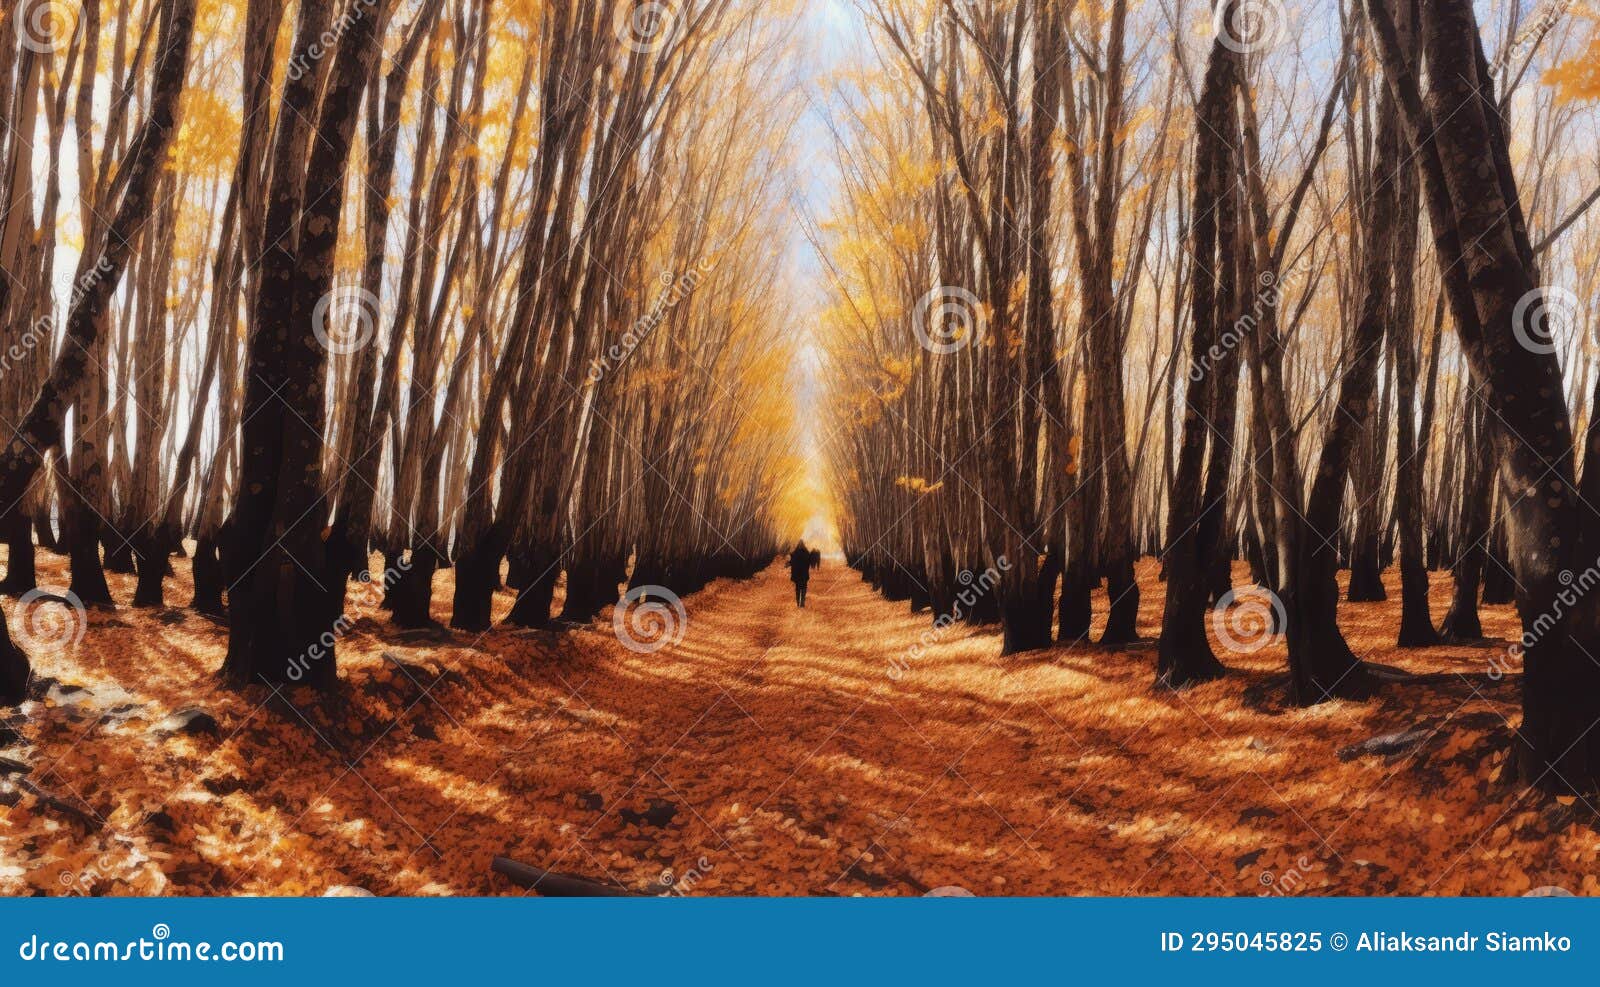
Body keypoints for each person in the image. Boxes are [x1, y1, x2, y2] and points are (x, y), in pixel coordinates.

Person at [788, 541, 819, 608]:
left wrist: (789, 563)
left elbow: (792, 561)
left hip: (797, 574)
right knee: (803, 588)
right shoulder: (806, 553)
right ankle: (802, 602)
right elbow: (810, 561)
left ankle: (799, 603)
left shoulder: (795, 553)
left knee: (798, 588)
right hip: (804, 574)